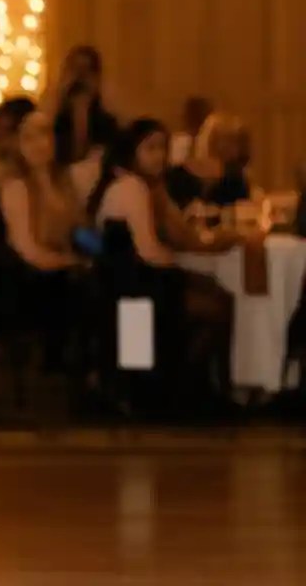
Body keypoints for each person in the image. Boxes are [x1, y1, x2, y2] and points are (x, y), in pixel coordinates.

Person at [86, 119, 238, 413]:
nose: (158, 156)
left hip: (130, 280)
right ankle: (188, 391)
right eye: (151, 148)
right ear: (132, 152)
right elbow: (148, 251)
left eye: (162, 148)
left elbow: (176, 237)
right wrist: (181, 266)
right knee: (217, 303)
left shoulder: (145, 185)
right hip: (131, 285)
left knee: (216, 292)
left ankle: (192, 387)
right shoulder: (131, 187)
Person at [0, 112, 85, 371]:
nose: (40, 144)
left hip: (63, 265)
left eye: (45, 135)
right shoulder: (17, 186)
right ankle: (112, 372)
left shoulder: (64, 181)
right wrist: (68, 261)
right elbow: (27, 249)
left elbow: (78, 227)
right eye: (29, 138)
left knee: (131, 290)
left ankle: (133, 368)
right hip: (29, 275)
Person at [164, 113, 250, 209]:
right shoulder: (176, 176)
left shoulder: (235, 178)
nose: (235, 149)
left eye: (235, 143)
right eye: (228, 141)